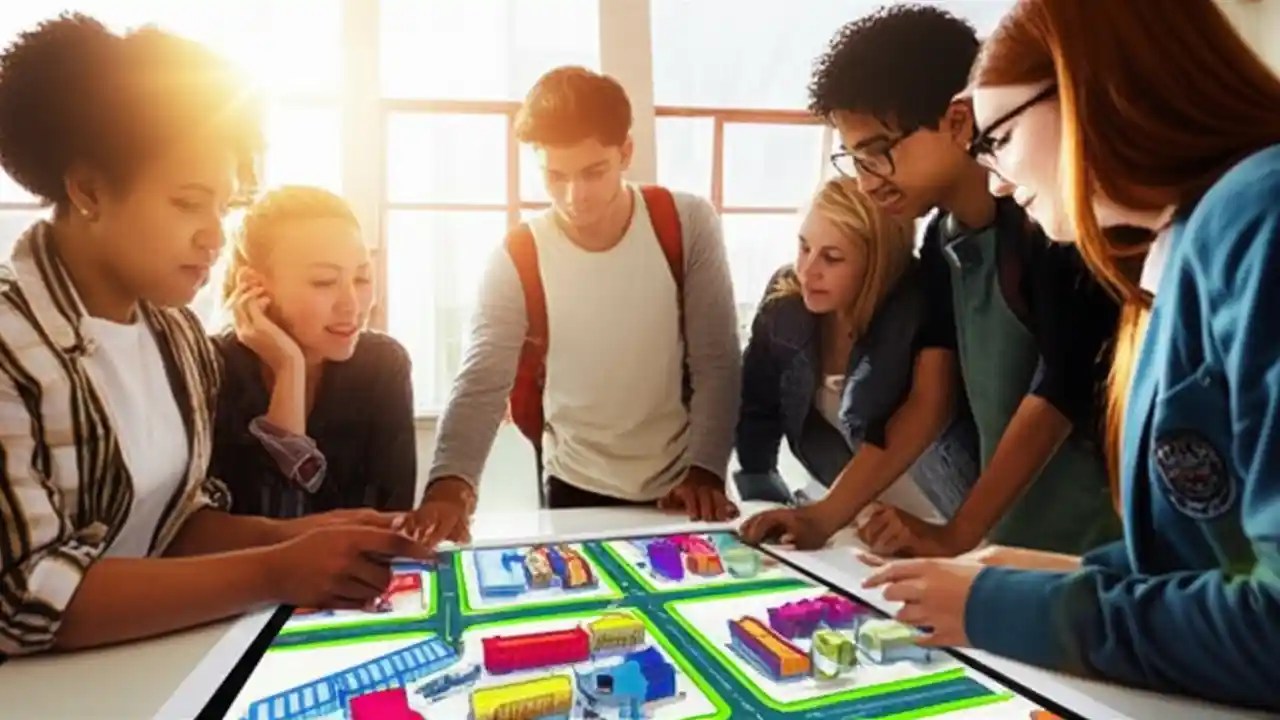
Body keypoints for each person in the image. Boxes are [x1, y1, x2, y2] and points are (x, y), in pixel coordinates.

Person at [864, 0, 1280, 710]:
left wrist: (1007, 607)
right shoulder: (1176, 248)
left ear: (1090, 87)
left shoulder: (1257, 218)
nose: (993, 178)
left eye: (995, 137)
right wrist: (1071, 573)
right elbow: (1207, 560)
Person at [0, 15, 428, 657]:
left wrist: (307, 535)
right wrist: (275, 568)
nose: (213, 235)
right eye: (186, 203)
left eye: (222, 208)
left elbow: (175, 527)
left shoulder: (176, 337)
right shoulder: (13, 343)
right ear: (89, 189)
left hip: (154, 669)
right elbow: (26, 600)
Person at [740, 4, 1120, 556]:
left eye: (878, 154)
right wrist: (823, 517)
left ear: (957, 120)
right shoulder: (941, 242)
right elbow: (928, 400)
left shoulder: (1048, 224)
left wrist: (958, 531)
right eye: (855, 160)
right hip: (1011, 542)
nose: (867, 183)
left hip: (1097, 546)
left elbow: (1059, 388)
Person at [412, 66, 741, 542]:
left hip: (685, 482)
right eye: (555, 176)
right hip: (574, 483)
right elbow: (483, 379)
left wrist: (707, 469)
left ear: (625, 152)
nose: (575, 196)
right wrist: (448, 487)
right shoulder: (517, 256)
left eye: (594, 172)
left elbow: (717, 359)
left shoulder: (686, 223)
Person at [735, 177, 977, 526]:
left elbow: (930, 411)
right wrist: (758, 498)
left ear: (876, 264)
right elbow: (757, 409)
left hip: (937, 517)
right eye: (803, 247)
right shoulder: (785, 305)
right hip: (846, 520)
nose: (806, 272)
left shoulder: (921, 310)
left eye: (832, 258)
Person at [212, 186, 417, 519]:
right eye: (324, 281)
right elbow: (274, 528)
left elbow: (387, 520)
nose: (352, 304)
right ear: (254, 285)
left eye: (363, 278)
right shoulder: (210, 368)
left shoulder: (382, 365)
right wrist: (288, 370)